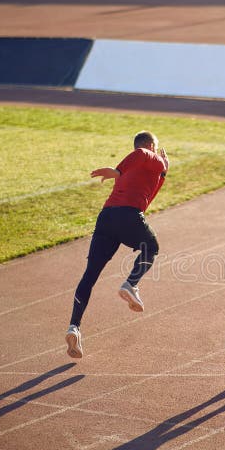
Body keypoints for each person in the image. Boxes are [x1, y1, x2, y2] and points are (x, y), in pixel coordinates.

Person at [65, 131, 170, 359]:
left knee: (90, 275)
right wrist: (118, 171)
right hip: (128, 216)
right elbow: (141, 153)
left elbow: (148, 198)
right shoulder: (148, 155)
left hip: (107, 218)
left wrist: (162, 174)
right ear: (152, 145)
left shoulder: (147, 169)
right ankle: (131, 284)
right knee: (151, 248)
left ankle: (74, 326)